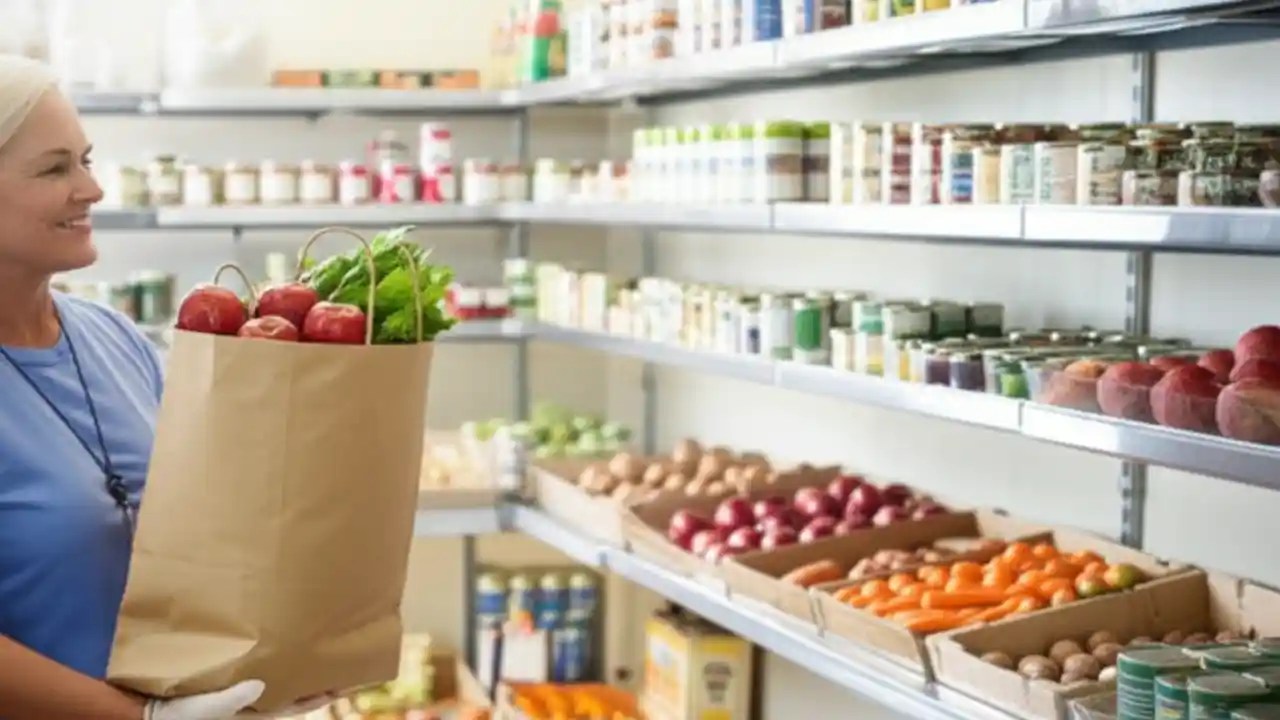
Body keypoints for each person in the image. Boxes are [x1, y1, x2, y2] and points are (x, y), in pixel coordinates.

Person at [0, 55, 330, 720]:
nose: (90, 188)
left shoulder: (114, 341)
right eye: (55, 168)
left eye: (86, 160)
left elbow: (205, 537)